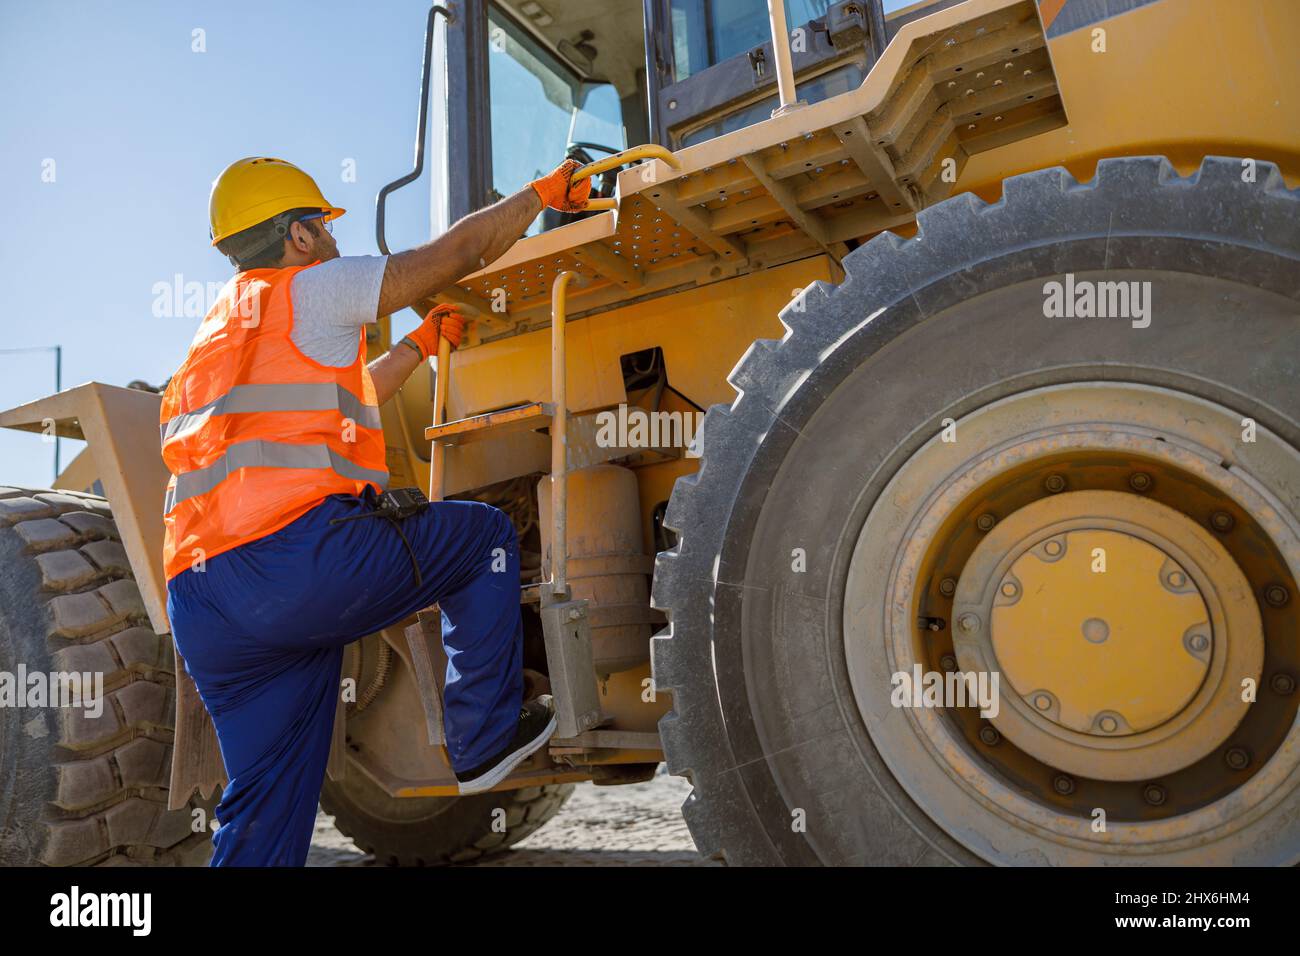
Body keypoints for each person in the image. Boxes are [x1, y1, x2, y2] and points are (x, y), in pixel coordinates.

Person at [162, 155, 591, 866]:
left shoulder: (216, 338)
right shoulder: (310, 288)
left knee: (263, 804)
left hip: (206, 606)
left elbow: (350, 394)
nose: (335, 242)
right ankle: (482, 739)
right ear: (299, 237)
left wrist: (419, 346)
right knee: (482, 536)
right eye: (326, 229)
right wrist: (543, 193)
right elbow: (454, 254)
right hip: (294, 564)